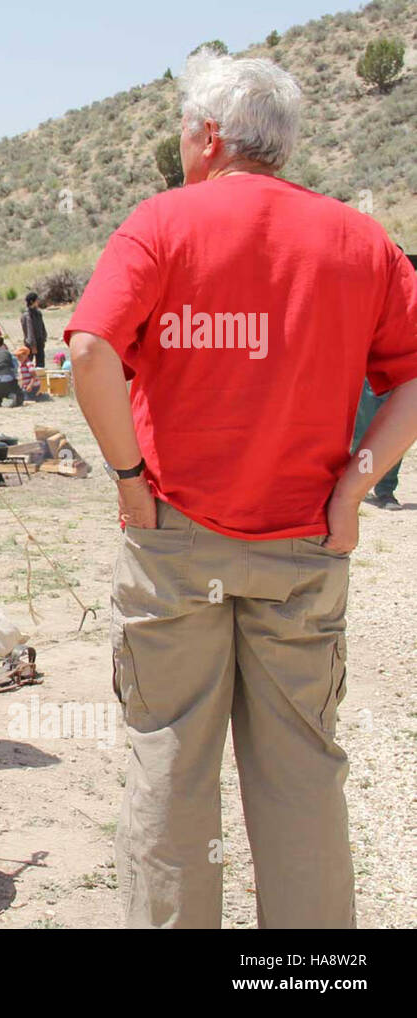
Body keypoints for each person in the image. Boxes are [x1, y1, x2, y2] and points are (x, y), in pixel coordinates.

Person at [66, 48, 417, 929]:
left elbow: (89, 350)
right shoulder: (358, 239)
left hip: (177, 538)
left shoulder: (162, 223)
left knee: (171, 766)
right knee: (302, 773)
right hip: (304, 545)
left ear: (209, 134)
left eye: (184, 128)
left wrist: (128, 477)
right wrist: (356, 486)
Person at [352, 379, 405, 508]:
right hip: (368, 377)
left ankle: (386, 490)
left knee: (396, 436)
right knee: (364, 435)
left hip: (400, 377)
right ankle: (358, 485)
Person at [20, 291, 48, 367]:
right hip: (30, 344)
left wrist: (44, 338)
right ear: (32, 301)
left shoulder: (38, 313)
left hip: (40, 341)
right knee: (28, 364)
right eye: (36, 300)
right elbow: (29, 331)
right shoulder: (26, 315)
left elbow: (42, 326)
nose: (38, 302)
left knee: (40, 364)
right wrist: (33, 345)